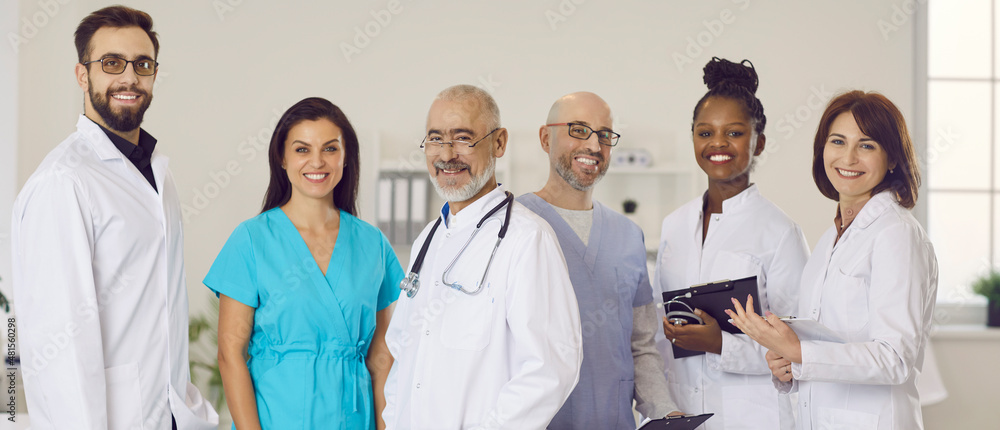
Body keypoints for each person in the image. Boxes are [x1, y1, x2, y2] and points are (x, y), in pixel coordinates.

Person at [10, 6, 218, 429]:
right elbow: (59, 345)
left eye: (142, 64)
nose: (129, 78)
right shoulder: (63, 182)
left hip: (171, 414)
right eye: (111, 63)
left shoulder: (156, 169)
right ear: (82, 75)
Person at [728, 91, 938, 430]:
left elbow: (895, 359)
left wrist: (799, 352)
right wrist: (789, 365)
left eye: (867, 145)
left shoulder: (896, 234)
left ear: (893, 159)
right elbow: (829, 344)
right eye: (838, 141)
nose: (849, 157)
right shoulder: (830, 239)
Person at [383, 85, 583, 429]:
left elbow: (551, 368)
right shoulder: (426, 241)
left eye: (463, 138)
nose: (447, 154)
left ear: (499, 142)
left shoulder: (527, 239)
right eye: (435, 139)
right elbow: (403, 353)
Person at [205, 97, 402, 429]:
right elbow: (230, 354)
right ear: (282, 157)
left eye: (330, 149)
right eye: (301, 149)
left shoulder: (372, 244)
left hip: (354, 419)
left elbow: (382, 359)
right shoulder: (252, 240)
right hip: (278, 417)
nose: (317, 162)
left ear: (345, 158)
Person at [653, 57, 809, 429]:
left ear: (759, 143)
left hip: (753, 416)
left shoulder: (780, 232)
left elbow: (800, 348)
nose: (717, 144)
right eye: (705, 132)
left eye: (734, 133)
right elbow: (659, 333)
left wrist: (720, 343)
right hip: (684, 410)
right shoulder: (674, 226)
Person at [517, 92, 681, 429]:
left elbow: (641, 345)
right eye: (578, 129)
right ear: (545, 137)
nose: (593, 145)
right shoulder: (512, 227)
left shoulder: (627, 236)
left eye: (604, 135)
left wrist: (666, 411)